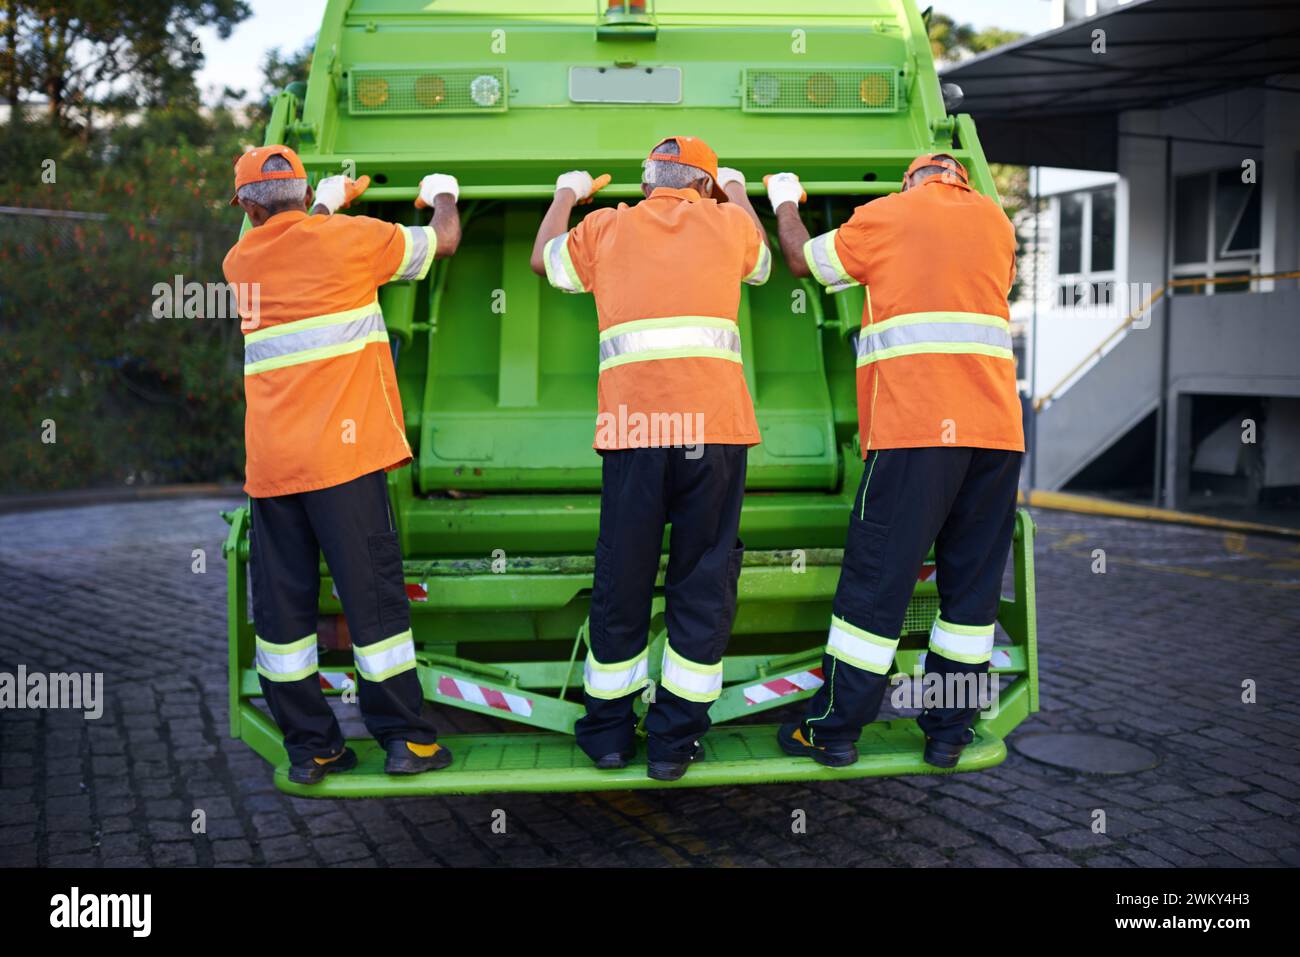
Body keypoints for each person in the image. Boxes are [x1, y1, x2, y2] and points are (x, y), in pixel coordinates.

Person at [764, 154, 1023, 769]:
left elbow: (802, 260)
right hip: (995, 437)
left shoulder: (888, 216)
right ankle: (949, 734)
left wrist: (783, 201)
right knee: (971, 597)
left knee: (877, 586)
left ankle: (833, 732)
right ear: (959, 178)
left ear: (911, 180)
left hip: (915, 434)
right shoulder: (996, 223)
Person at [529, 136, 771, 780]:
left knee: (624, 577)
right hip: (713, 432)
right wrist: (741, 192)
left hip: (636, 432)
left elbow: (542, 261)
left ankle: (608, 734)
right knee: (703, 576)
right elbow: (764, 261)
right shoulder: (727, 224)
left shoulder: (605, 227)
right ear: (706, 187)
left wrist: (567, 194)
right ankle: (674, 741)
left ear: (647, 183)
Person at [223, 145, 461, 784]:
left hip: (274, 470)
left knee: (283, 615)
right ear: (300, 196)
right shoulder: (353, 243)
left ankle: (312, 747)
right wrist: (443, 190)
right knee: (374, 605)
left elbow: (290, 237)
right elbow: (443, 242)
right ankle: (406, 743)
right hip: (346, 462)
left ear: (245, 207)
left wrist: (326, 200)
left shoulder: (239, 261)